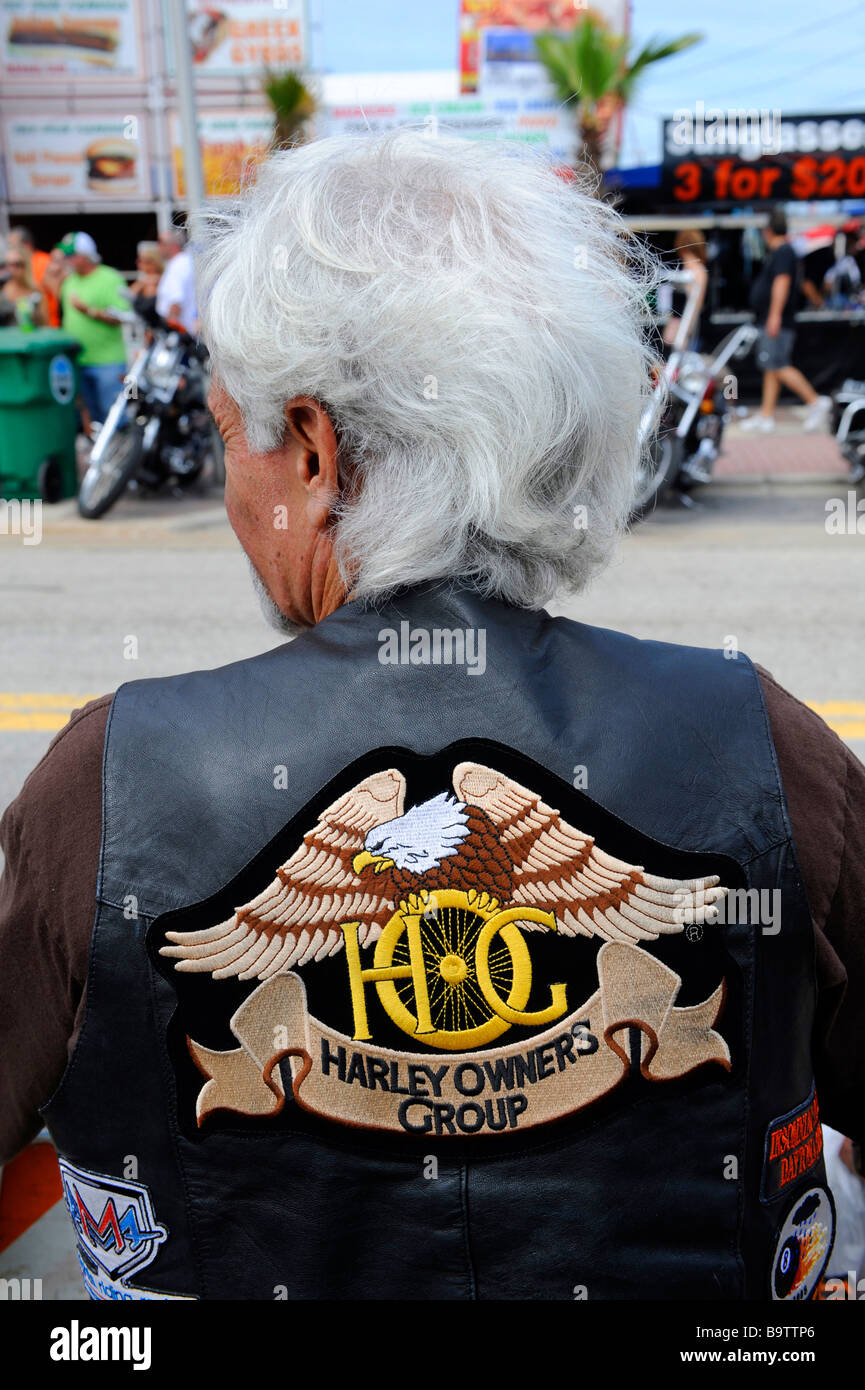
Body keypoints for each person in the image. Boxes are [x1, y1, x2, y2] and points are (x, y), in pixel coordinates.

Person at [0, 132, 862, 1302]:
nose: (227, 489)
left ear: (311, 449)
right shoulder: (764, 741)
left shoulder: (105, 783)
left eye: (224, 436)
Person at [743, 208, 831, 433]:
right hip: (773, 319)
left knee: (778, 365)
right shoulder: (783, 251)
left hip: (778, 320)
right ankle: (766, 415)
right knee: (770, 366)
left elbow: (781, 283)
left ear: (768, 231)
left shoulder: (783, 252)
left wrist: (775, 315)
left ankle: (816, 402)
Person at [57, 230, 128, 427]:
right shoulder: (69, 281)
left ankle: (125, 457)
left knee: (115, 416)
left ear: (86, 255)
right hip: (79, 360)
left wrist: (88, 310)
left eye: (72, 255)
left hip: (108, 361)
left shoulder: (109, 278)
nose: (67, 259)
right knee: (93, 416)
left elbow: (123, 316)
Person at [663, 228, 709, 349]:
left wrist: (686, 332)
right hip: (678, 326)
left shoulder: (697, 272)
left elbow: (695, 304)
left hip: (684, 330)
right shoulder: (690, 270)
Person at [7, 225, 60, 326]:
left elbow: (58, 294)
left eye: (14, 245)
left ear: (27, 245)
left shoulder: (44, 261)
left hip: (47, 324)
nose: (11, 249)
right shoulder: (13, 266)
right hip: (25, 324)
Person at [156, 225, 197, 333]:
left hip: (180, 332)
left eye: (160, 242)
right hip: (185, 330)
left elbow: (176, 301)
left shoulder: (178, 265)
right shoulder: (182, 262)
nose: (158, 247)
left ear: (172, 245)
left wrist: (170, 331)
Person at [0, 245, 47, 327]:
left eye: (17, 264)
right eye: (7, 264)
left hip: (30, 338)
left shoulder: (35, 290)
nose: (11, 269)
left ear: (26, 265)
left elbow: (45, 323)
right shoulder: (2, 288)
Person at [127, 240, 165, 317]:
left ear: (153, 263)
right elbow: (129, 295)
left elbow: (148, 306)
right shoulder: (144, 279)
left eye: (141, 261)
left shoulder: (157, 281)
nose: (137, 263)